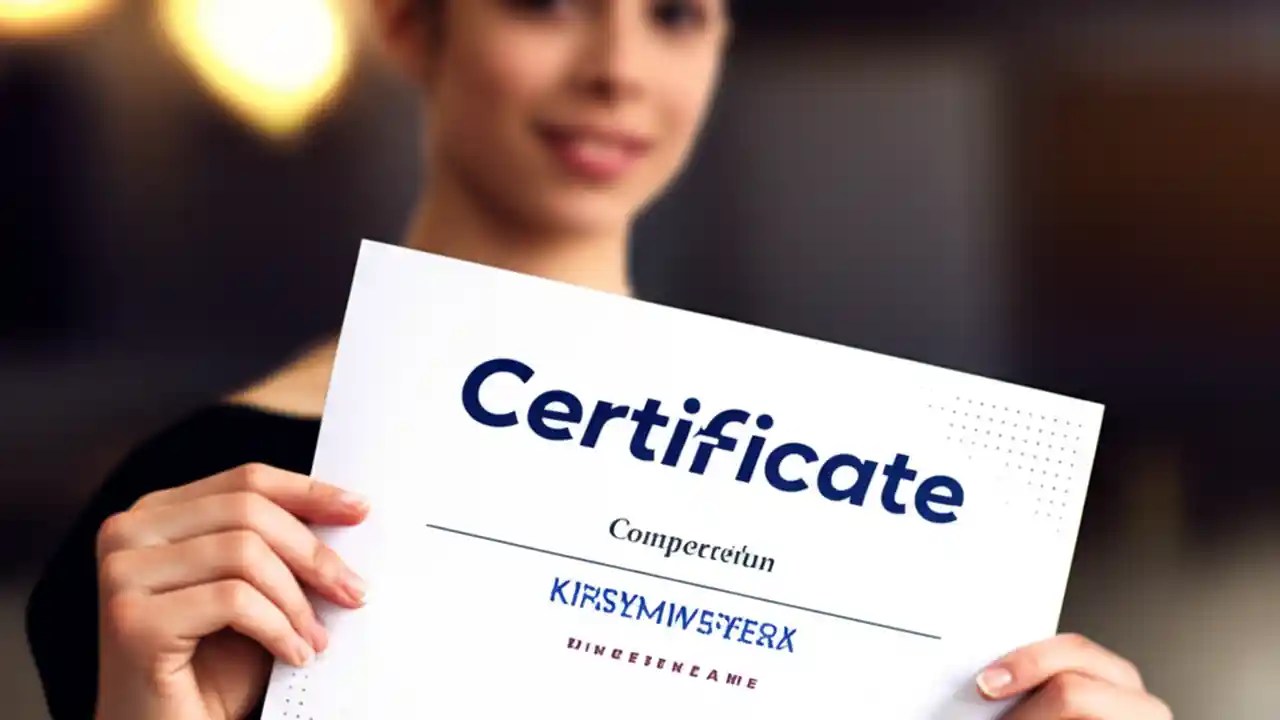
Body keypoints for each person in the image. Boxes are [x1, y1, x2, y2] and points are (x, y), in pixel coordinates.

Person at [24, 1, 1172, 719]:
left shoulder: (882, 514)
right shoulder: (196, 514)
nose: (618, 68)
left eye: (674, 14)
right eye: (545, 4)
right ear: (408, 26)